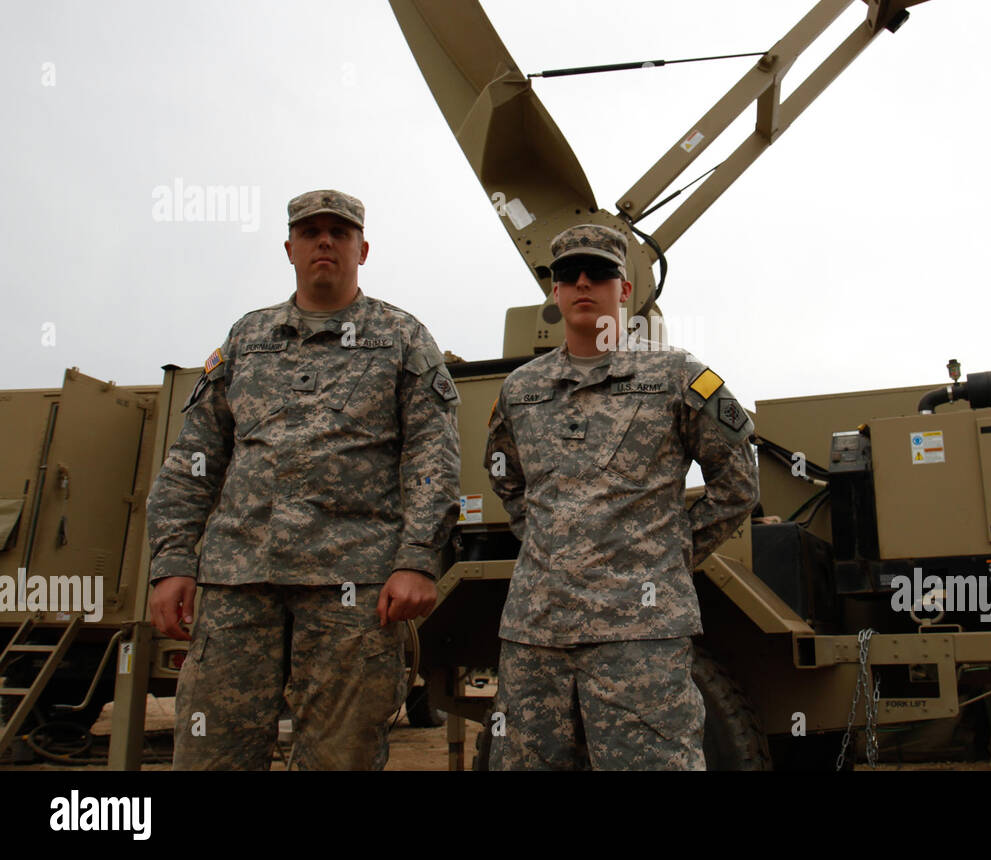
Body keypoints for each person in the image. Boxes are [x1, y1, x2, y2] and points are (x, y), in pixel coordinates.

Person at [147, 188, 461, 770]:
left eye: (338, 233)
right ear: (288, 248)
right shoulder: (247, 339)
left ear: (361, 250)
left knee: (339, 759)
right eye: (311, 232)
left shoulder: (402, 339)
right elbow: (194, 458)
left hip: (352, 589)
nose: (324, 241)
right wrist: (171, 563)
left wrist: (417, 558)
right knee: (210, 756)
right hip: (238, 584)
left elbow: (431, 457)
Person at [484, 223, 759, 770]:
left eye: (601, 272)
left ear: (625, 289)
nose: (584, 283)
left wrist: (668, 551)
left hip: (641, 633)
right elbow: (505, 477)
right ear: (555, 292)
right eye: (569, 274)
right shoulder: (521, 389)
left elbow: (739, 483)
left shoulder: (679, 376)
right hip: (536, 635)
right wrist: (550, 543)